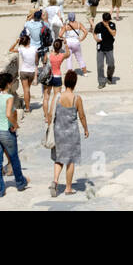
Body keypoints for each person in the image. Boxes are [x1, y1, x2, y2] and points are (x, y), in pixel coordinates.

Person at [48, 69, 88, 197]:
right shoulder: (77, 98)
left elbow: (50, 114)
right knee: (70, 161)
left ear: (65, 82)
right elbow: (82, 116)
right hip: (72, 133)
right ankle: (68, 188)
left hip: (58, 131)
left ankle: (55, 181)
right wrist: (86, 129)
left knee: (59, 158)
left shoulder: (57, 96)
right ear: (75, 83)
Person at [9, 29, 41, 112]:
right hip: (32, 71)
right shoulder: (34, 49)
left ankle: (27, 108)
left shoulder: (21, 49)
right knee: (28, 90)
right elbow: (36, 62)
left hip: (24, 71)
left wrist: (16, 42)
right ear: (29, 41)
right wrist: (36, 76)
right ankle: (28, 106)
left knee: (26, 90)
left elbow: (11, 49)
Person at [43, 38, 69, 110]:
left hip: (48, 76)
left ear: (53, 46)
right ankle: (52, 113)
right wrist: (66, 44)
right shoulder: (61, 56)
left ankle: (46, 117)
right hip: (57, 76)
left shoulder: (48, 55)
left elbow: (44, 64)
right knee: (56, 97)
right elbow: (68, 53)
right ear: (60, 47)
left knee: (46, 98)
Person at [93, 12, 117, 88]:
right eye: (106, 20)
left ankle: (109, 76)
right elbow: (94, 33)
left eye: (108, 20)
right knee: (100, 66)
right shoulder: (98, 25)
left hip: (109, 47)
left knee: (111, 64)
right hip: (100, 48)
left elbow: (114, 34)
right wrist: (96, 38)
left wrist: (108, 27)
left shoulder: (112, 24)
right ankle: (101, 82)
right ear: (103, 19)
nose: (107, 22)